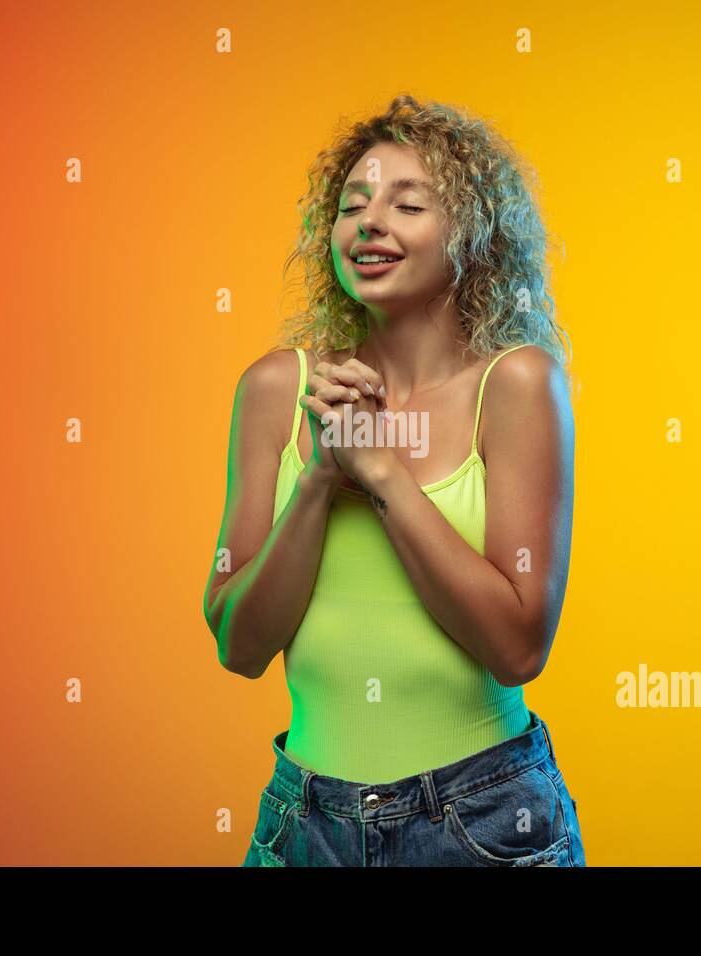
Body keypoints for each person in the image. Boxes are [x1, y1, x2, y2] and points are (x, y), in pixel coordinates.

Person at [203, 94, 581, 866]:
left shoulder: (516, 387)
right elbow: (239, 645)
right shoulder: (280, 391)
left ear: (474, 237)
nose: (368, 223)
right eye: (352, 205)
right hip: (305, 823)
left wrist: (380, 474)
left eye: (408, 204)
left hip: (482, 822)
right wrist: (317, 481)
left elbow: (518, 647)